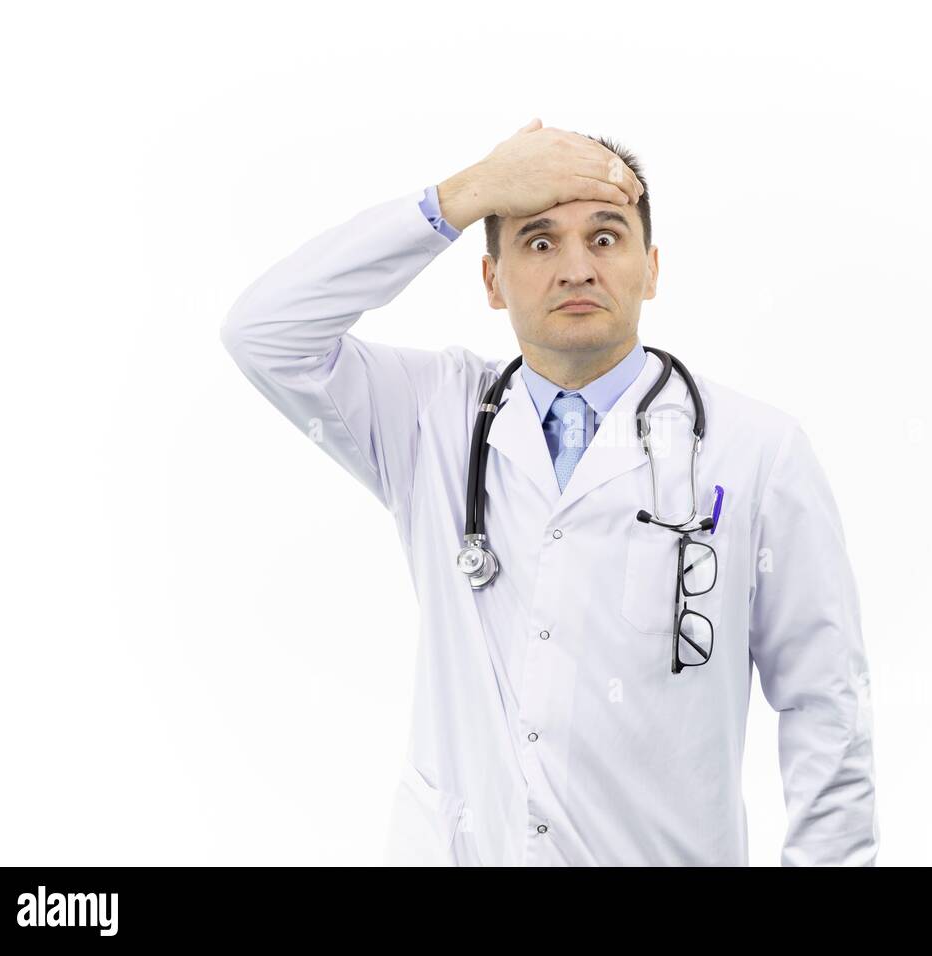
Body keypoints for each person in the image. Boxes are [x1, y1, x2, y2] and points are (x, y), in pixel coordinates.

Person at [220, 118, 879, 866]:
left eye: (605, 238)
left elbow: (826, 706)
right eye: (538, 241)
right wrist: (463, 195)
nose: (576, 269)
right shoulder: (430, 418)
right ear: (492, 280)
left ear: (651, 268)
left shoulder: (758, 450)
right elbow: (264, 333)